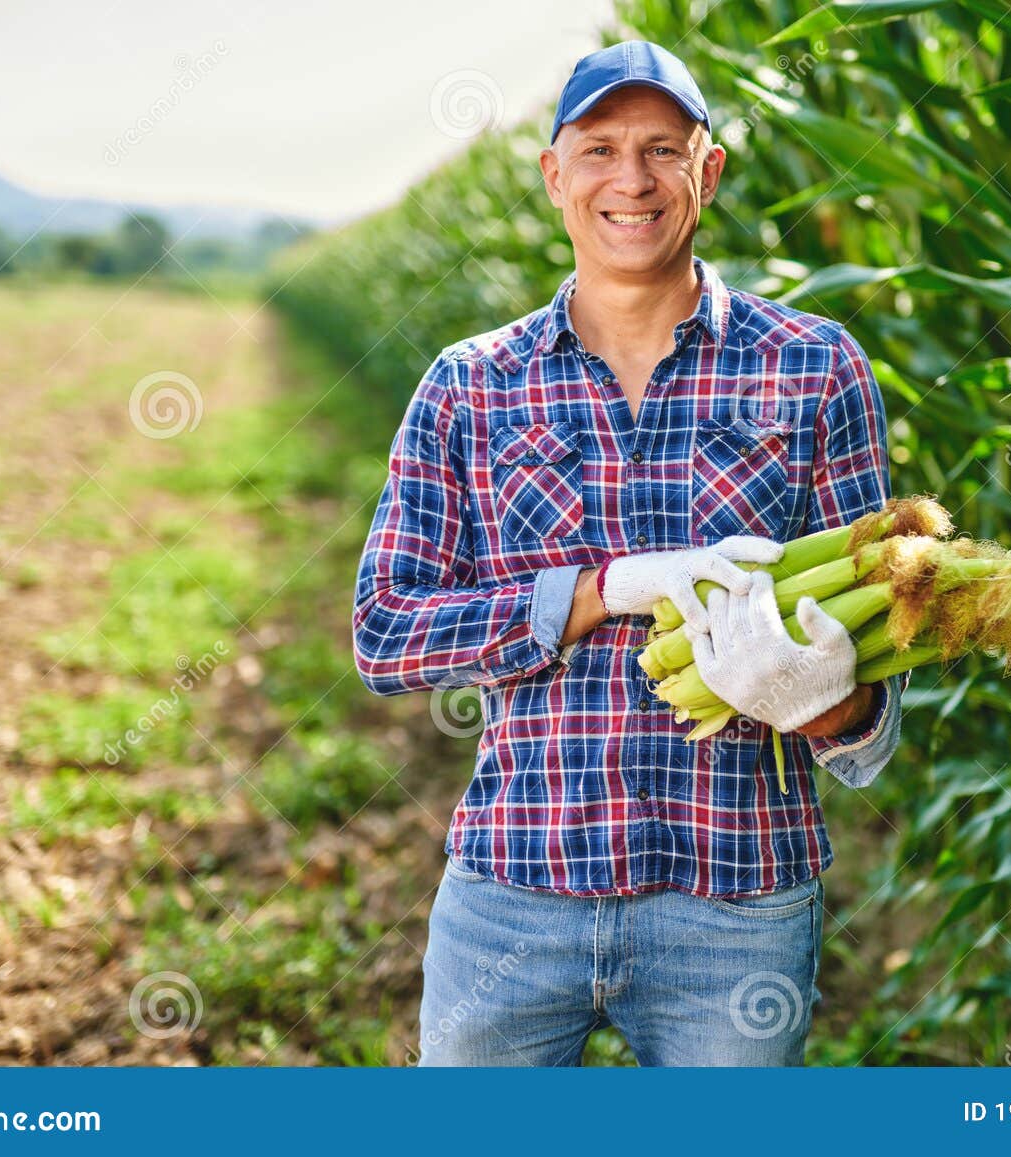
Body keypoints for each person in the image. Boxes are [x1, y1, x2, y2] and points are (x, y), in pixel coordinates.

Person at [353, 39, 908, 1066]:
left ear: (709, 169)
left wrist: (822, 700)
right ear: (553, 175)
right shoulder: (471, 384)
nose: (632, 179)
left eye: (662, 148)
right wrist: (600, 591)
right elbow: (385, 632)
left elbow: (872, 735)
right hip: (513, 892)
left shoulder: (815, 367)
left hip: (737, 902)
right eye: (599, 148)